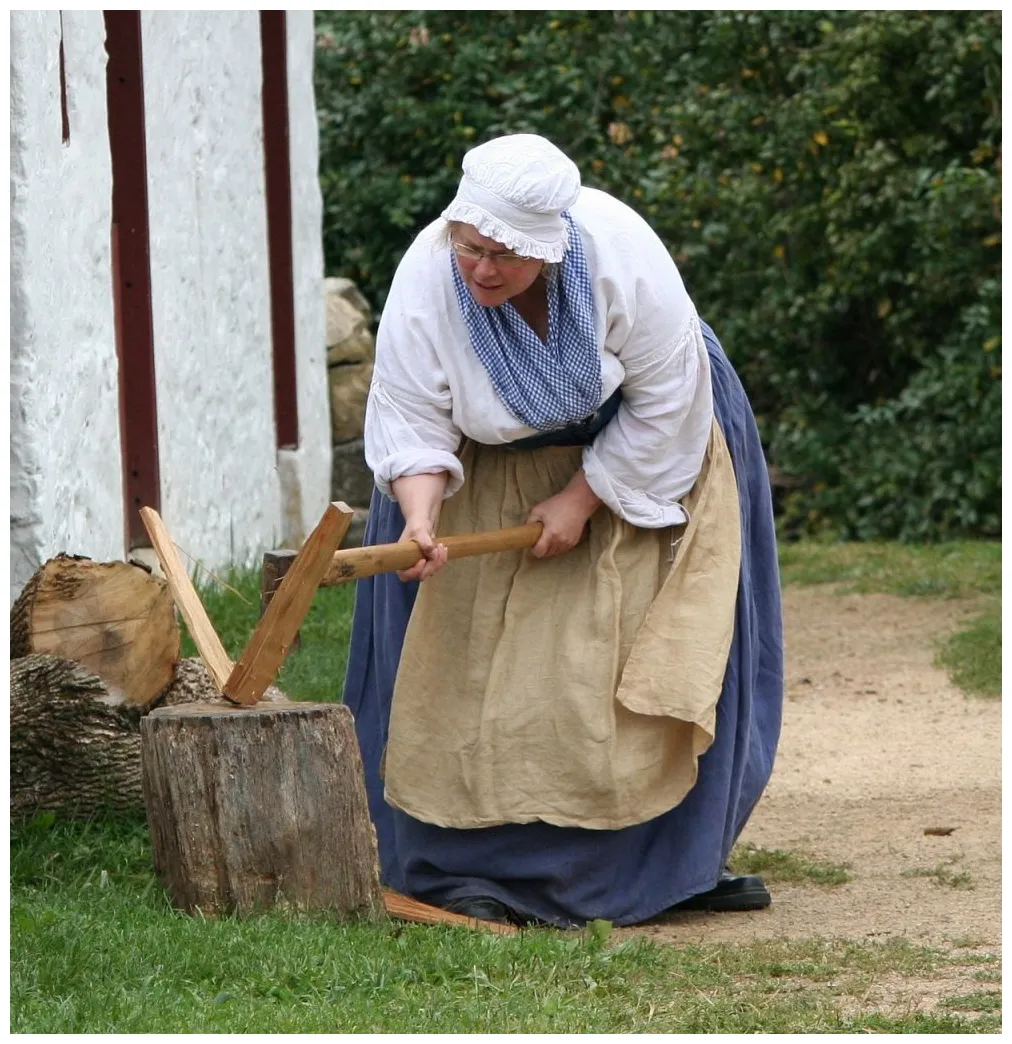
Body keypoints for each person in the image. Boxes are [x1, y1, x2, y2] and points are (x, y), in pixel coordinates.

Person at [343, 133, 784, 928]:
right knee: (470, 668)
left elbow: (667, 402)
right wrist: (417, 519)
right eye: (470, 246)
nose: (481, 268)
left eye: (504, 256)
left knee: (629, 658)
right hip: (477, 466)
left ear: (549, 250)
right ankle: (460, 869)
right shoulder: (427, 277)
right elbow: (409, 412)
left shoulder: (623, 259)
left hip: (650, 447)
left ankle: (670, 866)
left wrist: (584, 497)